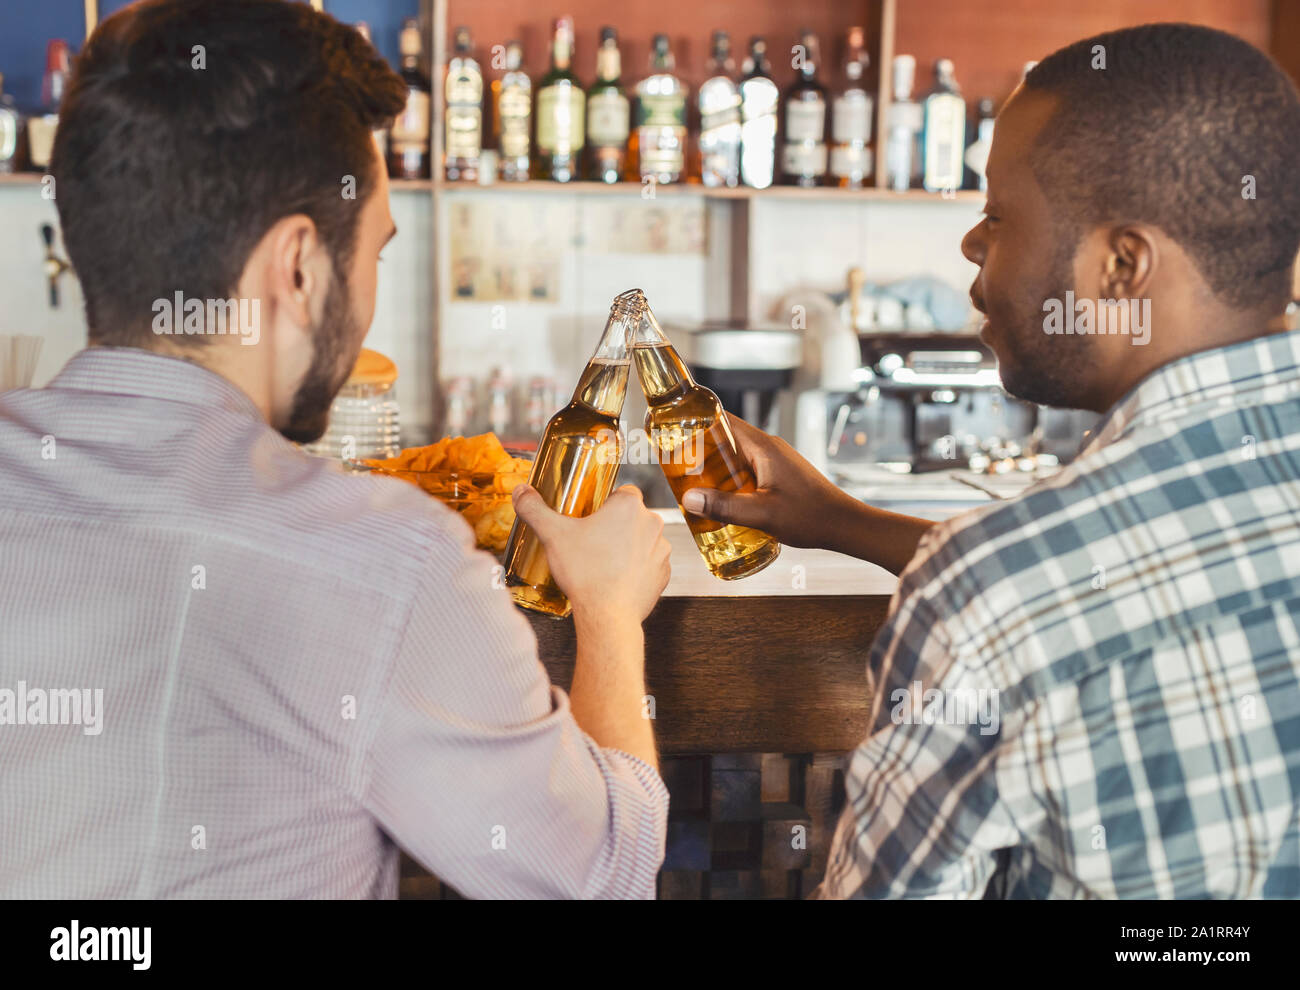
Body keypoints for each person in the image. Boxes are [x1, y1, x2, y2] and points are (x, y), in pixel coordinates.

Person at [0, 0, 671, 899]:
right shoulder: (388, 562)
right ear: (300, 268)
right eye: (376, 253)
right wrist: (610, 611)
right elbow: (602, 874)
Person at [687, 23, 1300, 898]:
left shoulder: (990, 594)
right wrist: (842, 524)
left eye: (999, 215)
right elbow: (1171, 568)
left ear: (1122, 265)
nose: (971, 247)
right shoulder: (1011, 582)